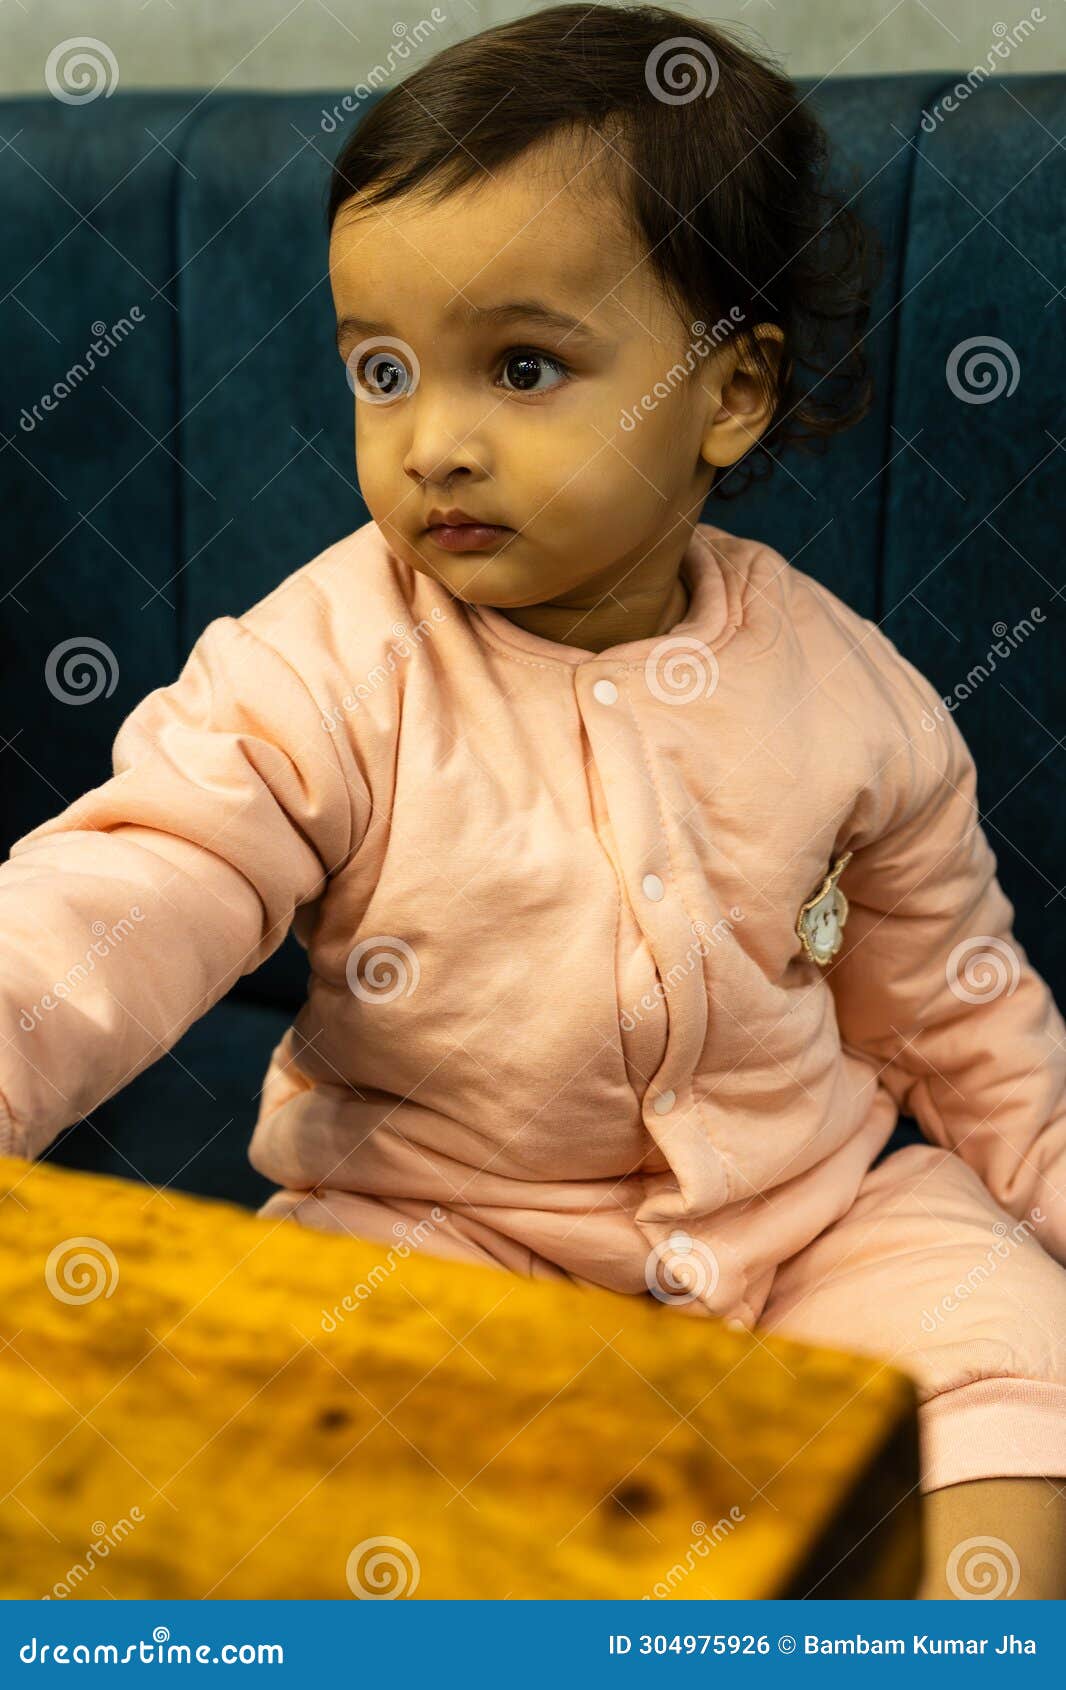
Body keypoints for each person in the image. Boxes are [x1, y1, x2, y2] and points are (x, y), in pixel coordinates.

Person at [2, 3, 1064, 1599]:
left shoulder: (852, 696)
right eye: (381, 369)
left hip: (808, 1223)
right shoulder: (318, 668)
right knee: (308, 1401)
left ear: (728, 391)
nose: (433, 441)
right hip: (440, 1231)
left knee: (999, 1358)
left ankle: (967, 1636)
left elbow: (958, 1011)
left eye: (523, 367)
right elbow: (124, 894)